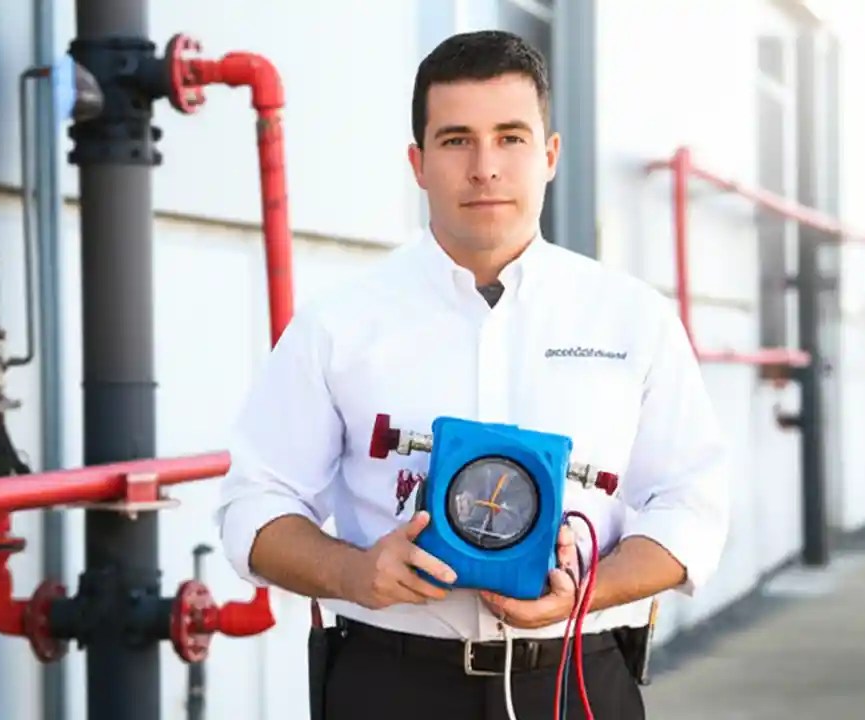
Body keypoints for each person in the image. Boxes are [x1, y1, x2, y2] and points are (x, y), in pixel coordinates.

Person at [214, 29, 729, 720]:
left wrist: (587, 589)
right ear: (418, 163)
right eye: (456, 140)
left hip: (576, 683)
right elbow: (255, 502)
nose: (485, 167)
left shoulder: (632, 319)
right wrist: (354, 573)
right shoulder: (340, 325)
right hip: (389, 684)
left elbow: (693, 504)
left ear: (549, 155)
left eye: (511, 137)